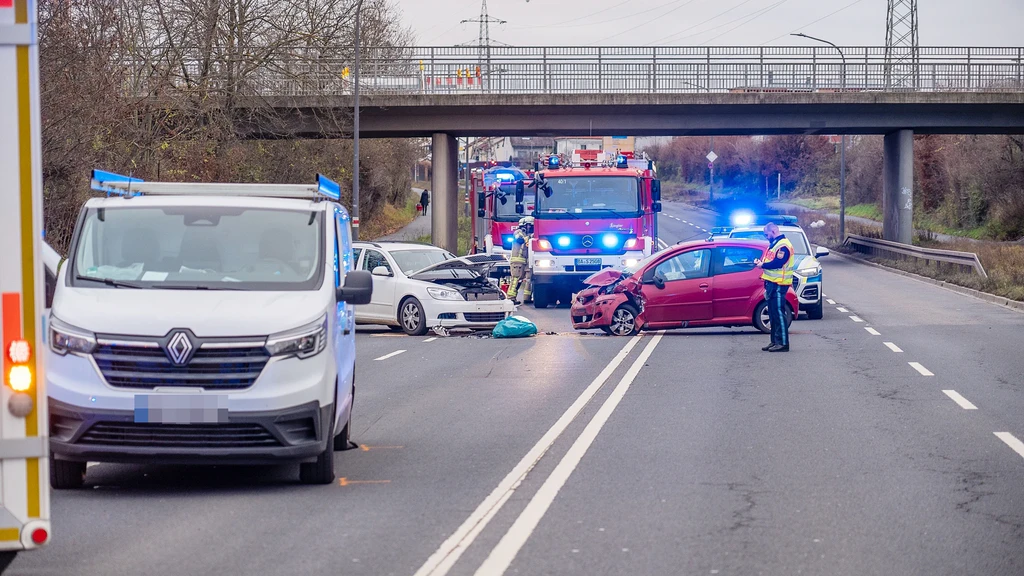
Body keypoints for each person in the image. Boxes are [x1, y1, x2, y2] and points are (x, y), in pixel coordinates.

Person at [755, 222, 795, 352]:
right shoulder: (774, 244)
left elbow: (778, 263)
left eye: (766, 234)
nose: (766, 237)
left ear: (773, 231)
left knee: (778, 313)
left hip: (779, 283)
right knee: (772, 314)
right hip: (772, 283)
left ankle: (783, 343)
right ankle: (774, 341)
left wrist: (763, 266)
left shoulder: (783, 245)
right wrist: (761, 263)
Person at [505, 216, 534, 304]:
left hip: (524, 261)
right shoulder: (518, 232)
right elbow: (520, 239)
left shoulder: (527, 234)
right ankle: (510, 298)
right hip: (517, 261)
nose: (531, 227)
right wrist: (530, 238)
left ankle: (527, 298)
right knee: (515, 279)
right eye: (529, 225)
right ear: (524, 226)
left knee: (526, 280)